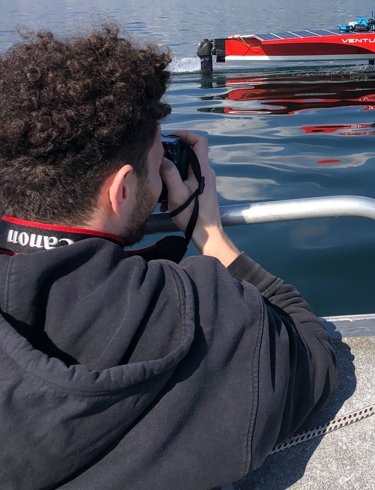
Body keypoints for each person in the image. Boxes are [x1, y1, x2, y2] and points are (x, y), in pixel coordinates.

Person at [0, 25, 337, 489]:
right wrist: (209, 232)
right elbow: (314, 355)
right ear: (120, 191)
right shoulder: (193, 313)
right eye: (158, 160)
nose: (163, 172)